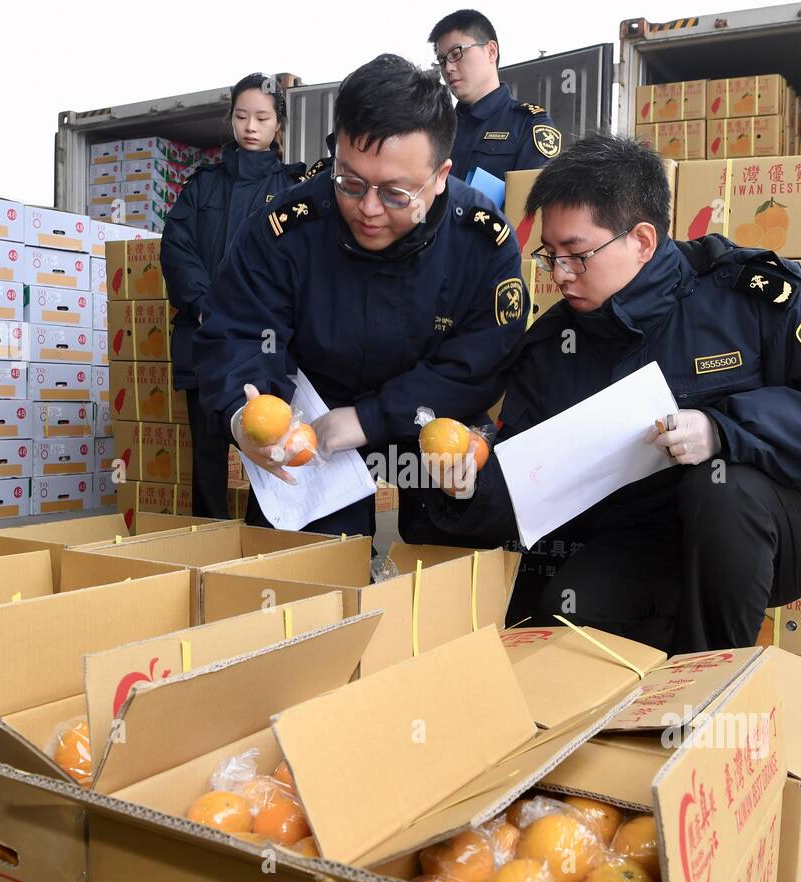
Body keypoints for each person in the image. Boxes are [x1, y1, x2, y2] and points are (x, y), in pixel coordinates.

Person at [424, 134, 801, 654]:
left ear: (642, 240)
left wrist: (722, 431)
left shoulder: (747, 297)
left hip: (788, 518)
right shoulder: (554, 348)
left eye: (577, 255)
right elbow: (530, 474)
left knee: (720, 486)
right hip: (647, 531)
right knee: (565, 620)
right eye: (549, 256)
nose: (560, 276)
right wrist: (469, 483)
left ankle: (709, 684)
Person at [195, 54, 527, 538]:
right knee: (300, 583)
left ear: (440, 176)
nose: (368, 209)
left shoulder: (479, 237)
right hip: (312, 428)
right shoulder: (289, 225)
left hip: (428, 422)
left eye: (395, 193)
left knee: (445, 571)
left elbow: (480, 360)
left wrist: (374, 417)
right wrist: (245, 415)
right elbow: (239, 329)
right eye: (349, 182)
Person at [161, 73, 310, 520]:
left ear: (278, 125)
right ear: (230, 119)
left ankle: (268, 536)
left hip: (266, 341)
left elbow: (297, 264)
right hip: (204, 335)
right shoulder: (203, 185)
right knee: (206, 453)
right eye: (242, 116)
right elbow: (176, 247)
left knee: (269, 443)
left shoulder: (293, 189)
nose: (251, 126)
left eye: (262, 117)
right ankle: (207, 539)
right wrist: (206, 306)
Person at [429, 9, 561, 182]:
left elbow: (532, 205)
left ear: (491, 51)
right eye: (442, 61)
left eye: (456, 54)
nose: (448, 68)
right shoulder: (437, 129)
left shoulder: (528, 125)